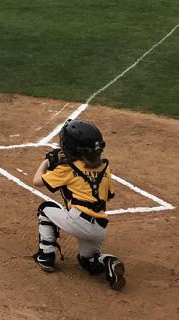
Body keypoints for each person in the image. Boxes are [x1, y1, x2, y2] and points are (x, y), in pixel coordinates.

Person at [31, 119, 126, 290]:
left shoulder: (68, 169)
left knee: (45, 209)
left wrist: (47, 162)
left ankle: (46, 256)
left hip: (78, 221)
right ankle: (109, 262)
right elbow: (108, 195)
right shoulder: (105, 168)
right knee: (88, 260)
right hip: (100, 227)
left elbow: (37, 181)